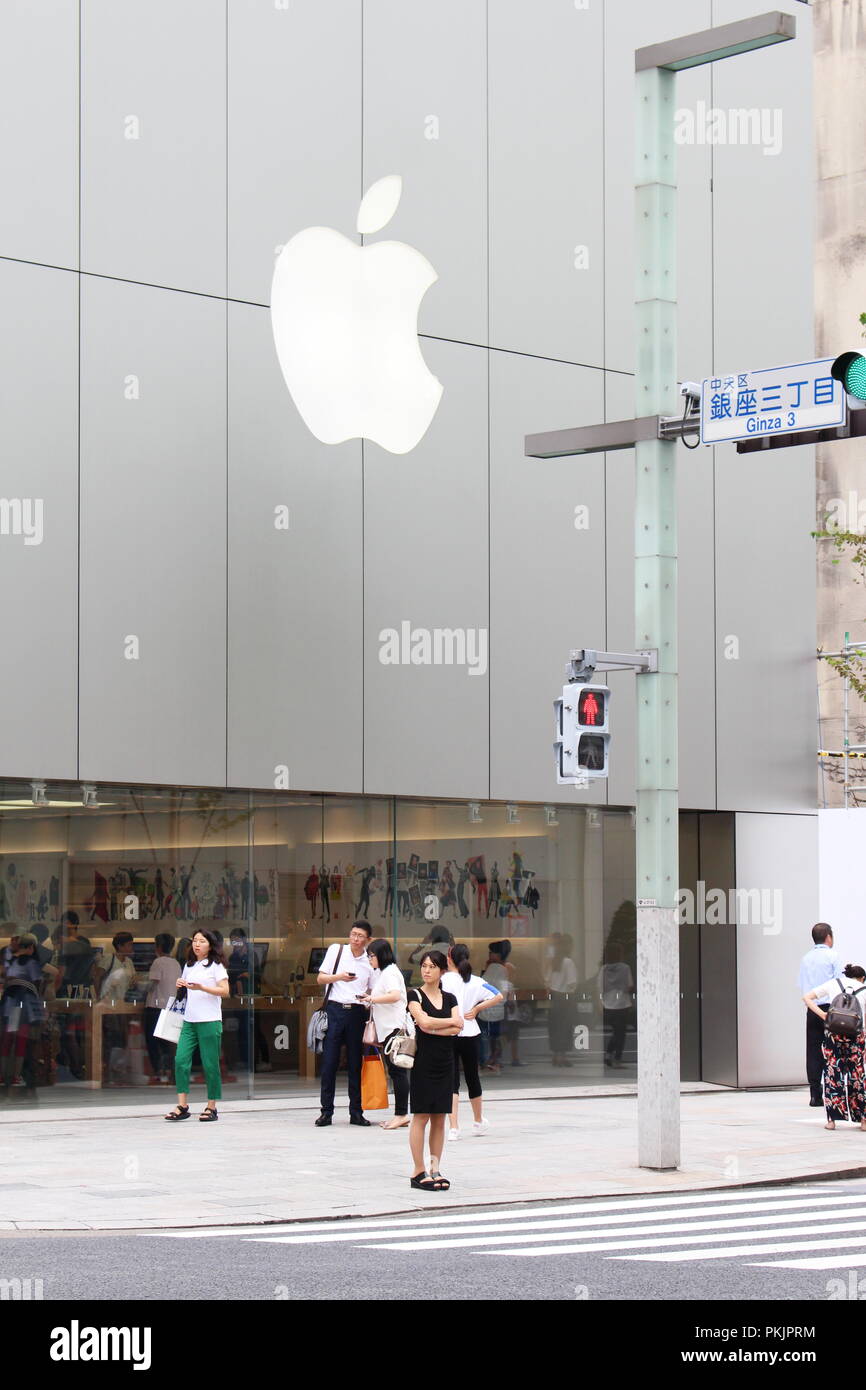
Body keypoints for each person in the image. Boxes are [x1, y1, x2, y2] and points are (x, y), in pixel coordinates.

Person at [406, 950, 462, 1191]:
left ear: (442, 970)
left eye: (432, 966)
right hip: (422, 1062)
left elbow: (458, 1026)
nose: (426, 970)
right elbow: (424, 1023)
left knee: (440, 1118)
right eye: (424, 966)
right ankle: (418, 1171)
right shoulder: (414, 994)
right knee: (421, 1116)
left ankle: (435, 1169)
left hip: (445, 1062)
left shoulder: (450, 998)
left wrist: (439, 1025)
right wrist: (445, 1023)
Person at [165, 929, 229, 1122]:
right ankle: (182, 1105)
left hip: (209, 1021)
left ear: (210, 945)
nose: (197, 944)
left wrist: (202, 987)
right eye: (195, 941)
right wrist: (180, 985)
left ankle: (212, 1106)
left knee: (210, 1064)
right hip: (189, 1021)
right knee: (180, 1060)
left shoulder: (216, 966)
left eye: (202, 941)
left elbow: (225, 991)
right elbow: (186, 993)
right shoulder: (189, 965)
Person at [315, 921, 374, 1127]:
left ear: (368, 940)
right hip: (335, 1010)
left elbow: (373, 990)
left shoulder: (369, 961)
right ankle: (326, 1112)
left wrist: (366, 996)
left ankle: (356, 1112)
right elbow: (320, 979)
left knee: (355, 1064)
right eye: (353, 934)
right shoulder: (337, 950)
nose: (355, 939)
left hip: (357, 1012)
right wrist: (339, 977)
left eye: (360, 936)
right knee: (329, 1062)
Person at [443, 943, 503, 1141]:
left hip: (449, 1032)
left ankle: (453, 1127)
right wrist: (477, 1009)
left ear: (449, 958)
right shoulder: (476, 981)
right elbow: (498, 995)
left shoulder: (443, 980)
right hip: (470, 1032)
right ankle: (477, 1121)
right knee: (472, 1078)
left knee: (452, 1081)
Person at [803, 963, 866, 1131]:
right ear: (861, 977)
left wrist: (823, 1014)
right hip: (856, 1037)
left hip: (834, 1036)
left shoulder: (833, 984)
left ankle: (831, 1121)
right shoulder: (864, 988)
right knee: (857, 1077)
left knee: (832, 1076)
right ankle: (863, 1121)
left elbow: (807, 997)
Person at [362, 938, 410, 1130]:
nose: (369, 959)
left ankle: (401, 1114)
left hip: (393, 1029)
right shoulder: (386, 972)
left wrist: (372, 998)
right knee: (397, 1071)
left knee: (397, 1072)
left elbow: (395, 995)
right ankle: (401, 1114)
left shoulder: (390, 972)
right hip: (389, 1028)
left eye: (371, 955)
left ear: (380, 955)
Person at [798, 922, 842, 1107]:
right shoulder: (833, 956)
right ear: (829, 937)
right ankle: (835, 1091)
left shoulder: (806, 959)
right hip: (831, 1009)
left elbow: (801, 985)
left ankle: (815, 1094)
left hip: (812, 1008)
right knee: (834, 1048)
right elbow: (840, 985)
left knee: (813, 1049)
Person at [0, 933, 43, 1099]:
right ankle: (16, 1076)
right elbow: (37, 983)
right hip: (24, 1007)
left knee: (8, 1039)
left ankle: (3, 1075)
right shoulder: (32, 963)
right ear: (31, 947)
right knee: (21, 1040)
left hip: (9, 1006)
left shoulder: (11, 962)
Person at [145, 932, 180, 1084]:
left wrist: (139, 987)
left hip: (156, 1006)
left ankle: (158, 1071)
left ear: (158, 946)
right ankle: (173, 1073)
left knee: (153, 1041)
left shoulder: (158, 962)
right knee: (170, 1043)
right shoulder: (176, 963)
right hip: (172, 1005)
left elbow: (152, 983)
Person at [598, 942, 635, 1069]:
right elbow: (629, 985)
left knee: (616, 1032)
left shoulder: (603, 969)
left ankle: (609, 1055)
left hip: (608, 1005)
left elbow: (599, 988)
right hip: (622, 1005)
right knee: (620, 1034)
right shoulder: (625, 968)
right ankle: (616, 1059)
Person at [545, 933, 578, 1067]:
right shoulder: (568, 962)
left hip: (553, 996)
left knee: (554, 1027)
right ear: (568, 946)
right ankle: (562, 1057)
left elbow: (547, 980)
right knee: (565, 1028)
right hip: (565, 998)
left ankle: (555, 1055)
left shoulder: (554, 961)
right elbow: (572, 983)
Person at [480, 941, 511, 1071]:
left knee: (488, 1036)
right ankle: (493, 1059)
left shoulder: (497, 969)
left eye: (491, 952)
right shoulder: (498, 968)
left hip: (489, 1008)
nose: (489, 954)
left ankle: (491, 1059)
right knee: (493, 1036)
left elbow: (500, 988)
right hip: (493, 1009)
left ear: (498, 954)